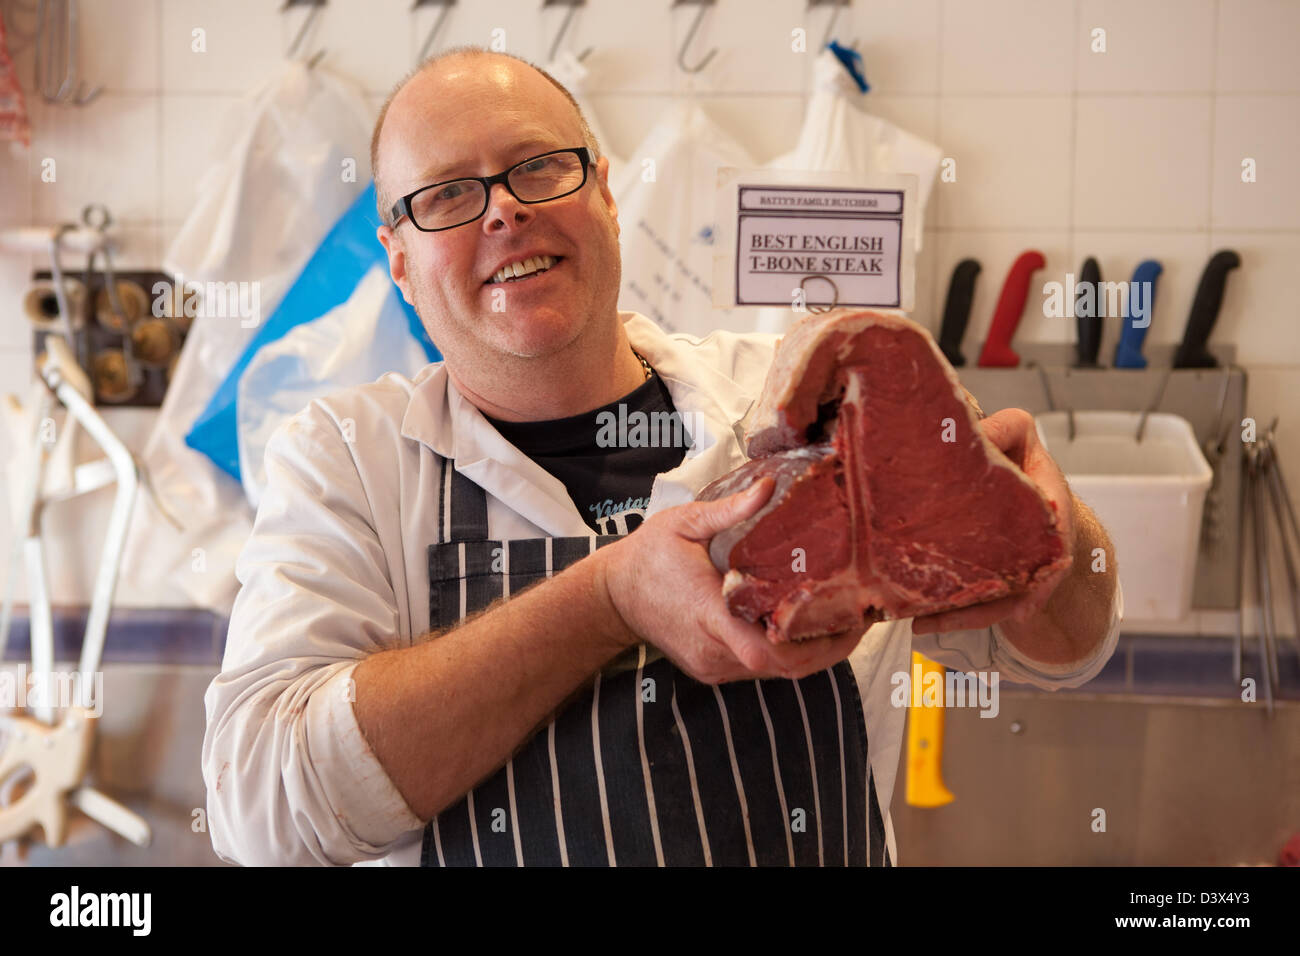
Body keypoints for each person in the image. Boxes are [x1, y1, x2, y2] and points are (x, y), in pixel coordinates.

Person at [200, 47, 1122, 867]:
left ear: (604, 194)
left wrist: (1045, 527)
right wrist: (607, 599)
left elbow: (1065, 652)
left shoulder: (793, 400)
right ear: (399, 260)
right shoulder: (347, 463)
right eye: (446, 194)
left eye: (538, 167)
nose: (505, 211)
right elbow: (261, 812)